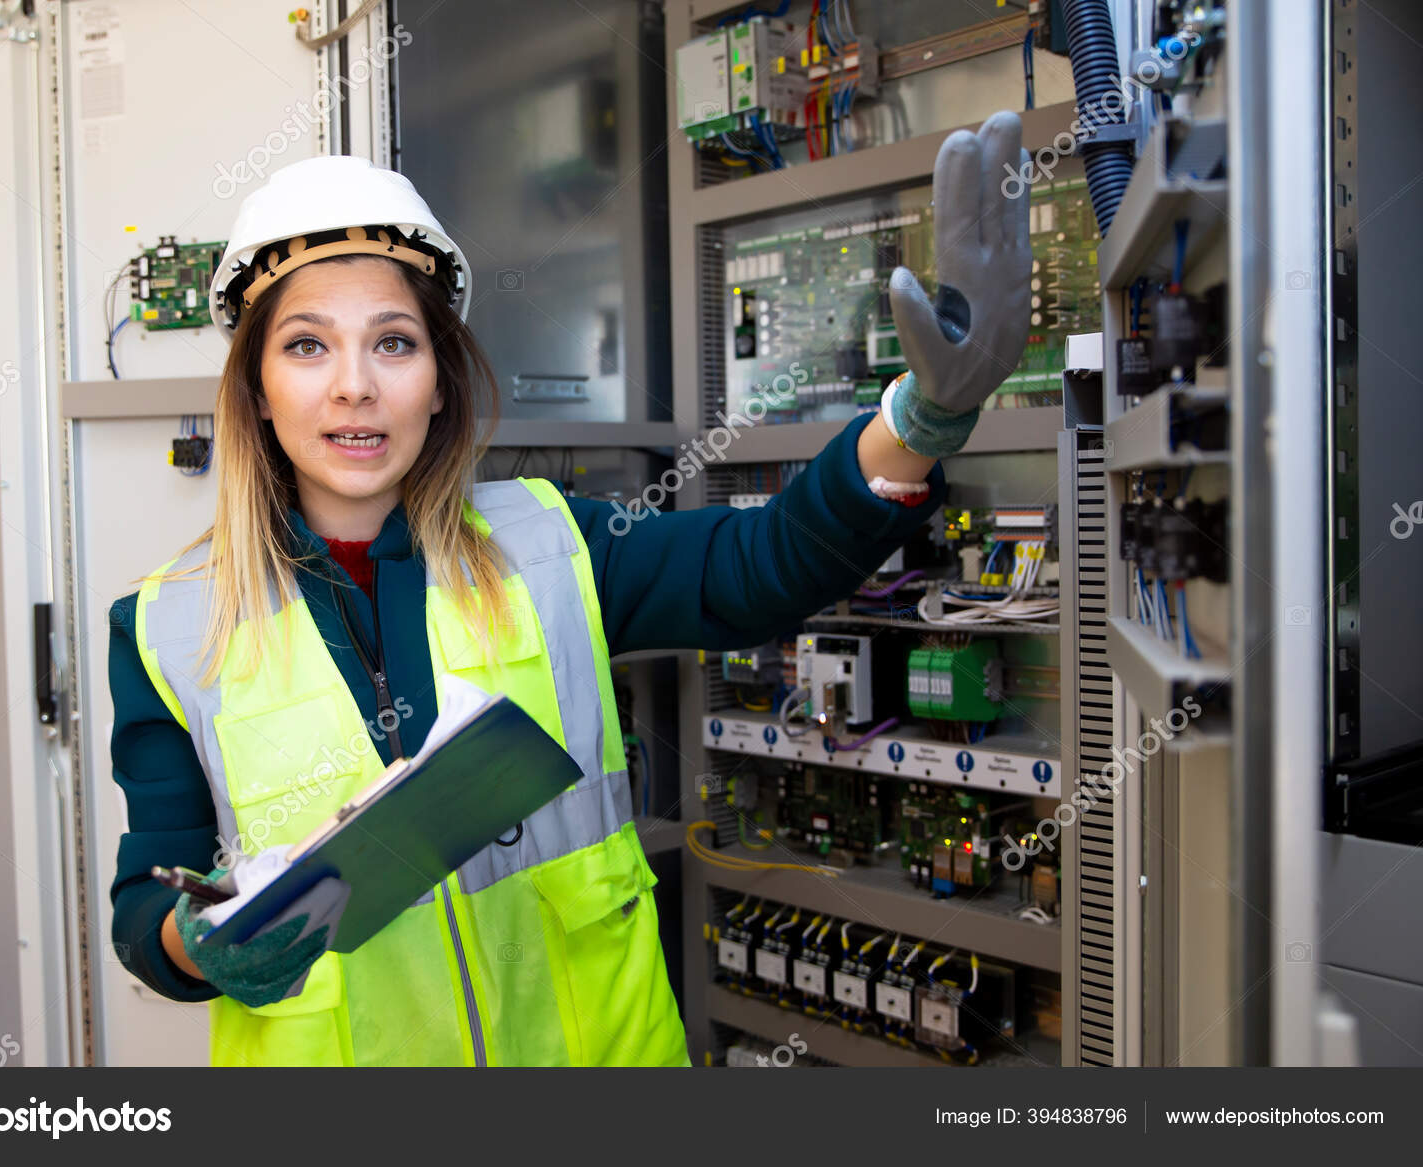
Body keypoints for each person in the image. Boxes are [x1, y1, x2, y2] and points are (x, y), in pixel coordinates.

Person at [106, 111, 1031, 1067]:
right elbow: (144, 907)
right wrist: (197, 941)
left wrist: (926, 413)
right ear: (256, 386)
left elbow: (763, 564)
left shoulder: (554, 544)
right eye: (305, 346)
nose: (353, 387)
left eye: (393, 342)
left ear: (438, 380)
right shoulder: (166, 626)